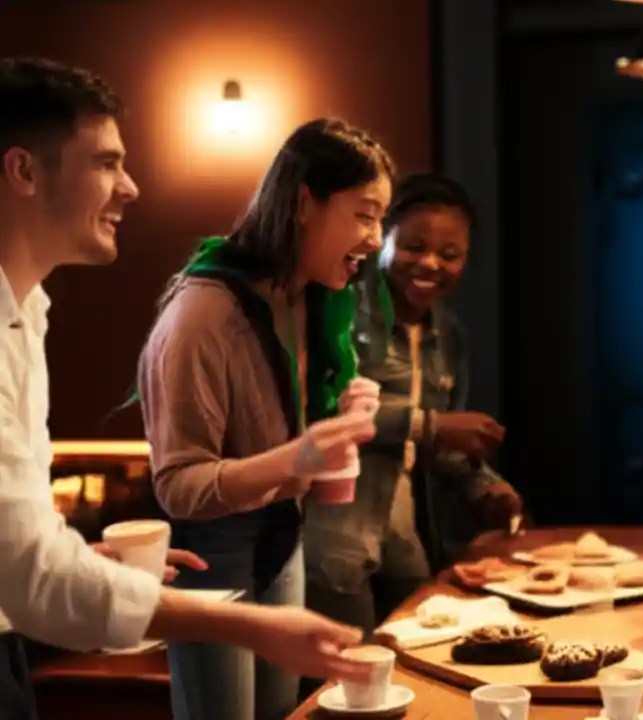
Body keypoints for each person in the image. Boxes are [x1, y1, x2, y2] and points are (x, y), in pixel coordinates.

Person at [0, 57, 372, 720]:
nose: (132, 188)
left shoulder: (29, 311)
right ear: (23, 170)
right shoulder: (204, 306)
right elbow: (34, 574)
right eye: (107, 163)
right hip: (213, 558)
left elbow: (23, 560)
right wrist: (245, 624)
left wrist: (79, 555)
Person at [137, 117, 392, 720]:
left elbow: (293, 434)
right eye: (363, 213)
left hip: (282, 531)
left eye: (380, 217)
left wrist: (341, 412)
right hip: (210, 550)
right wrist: (299, 456)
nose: (376, 237)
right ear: (305, 202)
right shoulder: (203, 312)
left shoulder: (310, 299)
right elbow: (178, 488)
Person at [305, 172, 520, 634]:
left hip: (406, 538)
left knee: (415, 664)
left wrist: (485, 487)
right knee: (347, 682)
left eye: (450, 254)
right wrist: (432, 424)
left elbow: (443, 446)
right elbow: (323, 411)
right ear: (383, 239)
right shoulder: (339, 310)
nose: (430, 264)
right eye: (413, 246)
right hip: (334, 539)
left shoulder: (450, 334)